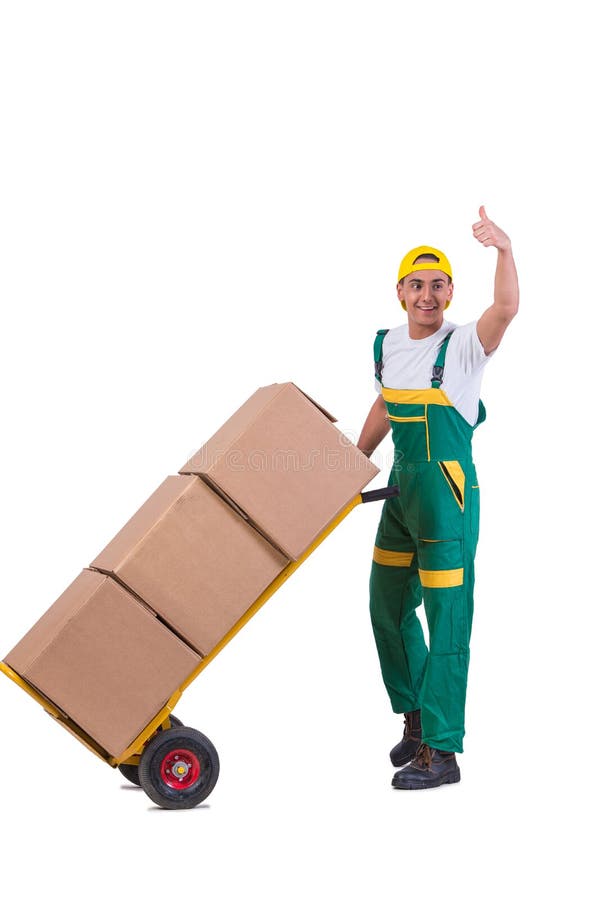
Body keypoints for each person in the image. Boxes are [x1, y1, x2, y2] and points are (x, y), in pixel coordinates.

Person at [356, 206, 518, 789]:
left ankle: (443, 751)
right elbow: (383, 405)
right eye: (417, 285)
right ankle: (418, 718)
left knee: (449, 618)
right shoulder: (387, 345)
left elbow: (505, 308)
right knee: (387, 605)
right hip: (400, 494)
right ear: (400, 291)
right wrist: (355, 463)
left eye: (438, 285)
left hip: (447, 493)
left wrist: (503, 249)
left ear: (451, 292)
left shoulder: (466, 346)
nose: (428, 296)